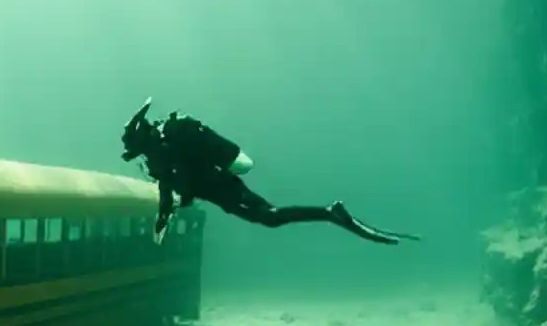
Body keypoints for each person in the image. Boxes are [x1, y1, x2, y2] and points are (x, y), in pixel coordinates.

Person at [119, 98, 419, 246]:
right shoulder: (165, 152)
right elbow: (170, 191)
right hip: (223, 189)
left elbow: (171, 188)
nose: (141, 160)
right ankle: (330, 213)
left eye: (137, 153)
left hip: (225, 189)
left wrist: (163, 221)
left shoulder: (165, 153)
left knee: (271, 217)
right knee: (270, 218)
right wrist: (162, 221)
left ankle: (331, 212)